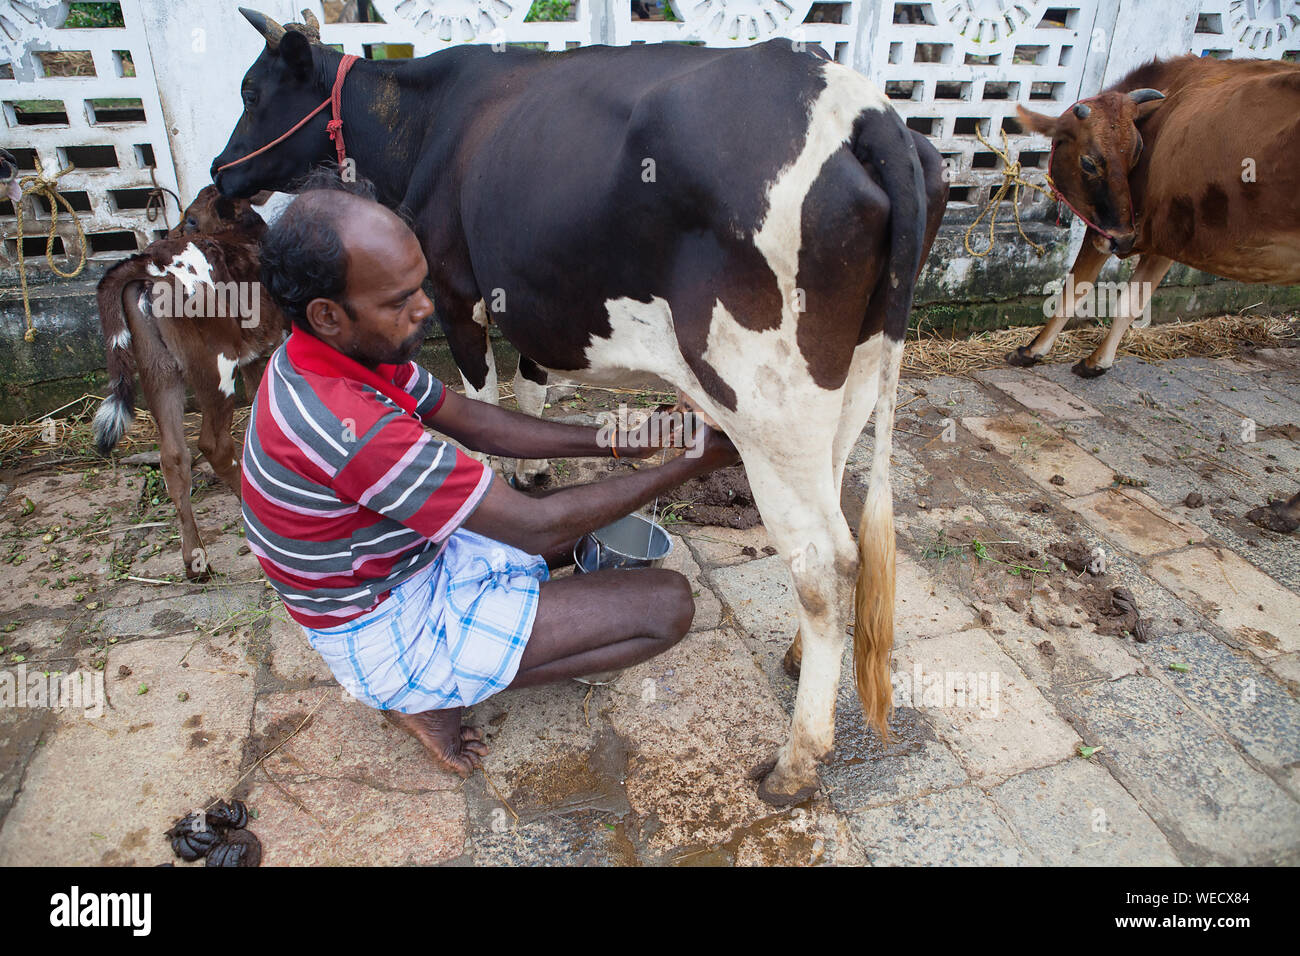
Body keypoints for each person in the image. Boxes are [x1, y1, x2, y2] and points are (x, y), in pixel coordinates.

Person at [241, 171, 739, 775]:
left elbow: (475, 420)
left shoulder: (343, 352)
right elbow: (532, 525)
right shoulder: (347, 424)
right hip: (388, 623)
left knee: (587, 526)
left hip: (404, 562)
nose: (426, 308)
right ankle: (427, 695)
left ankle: (465, 659)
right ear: (327, 315)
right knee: (667, 605)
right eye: (400, 301)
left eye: (420, 286)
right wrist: (694, 462)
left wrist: (618, 442)